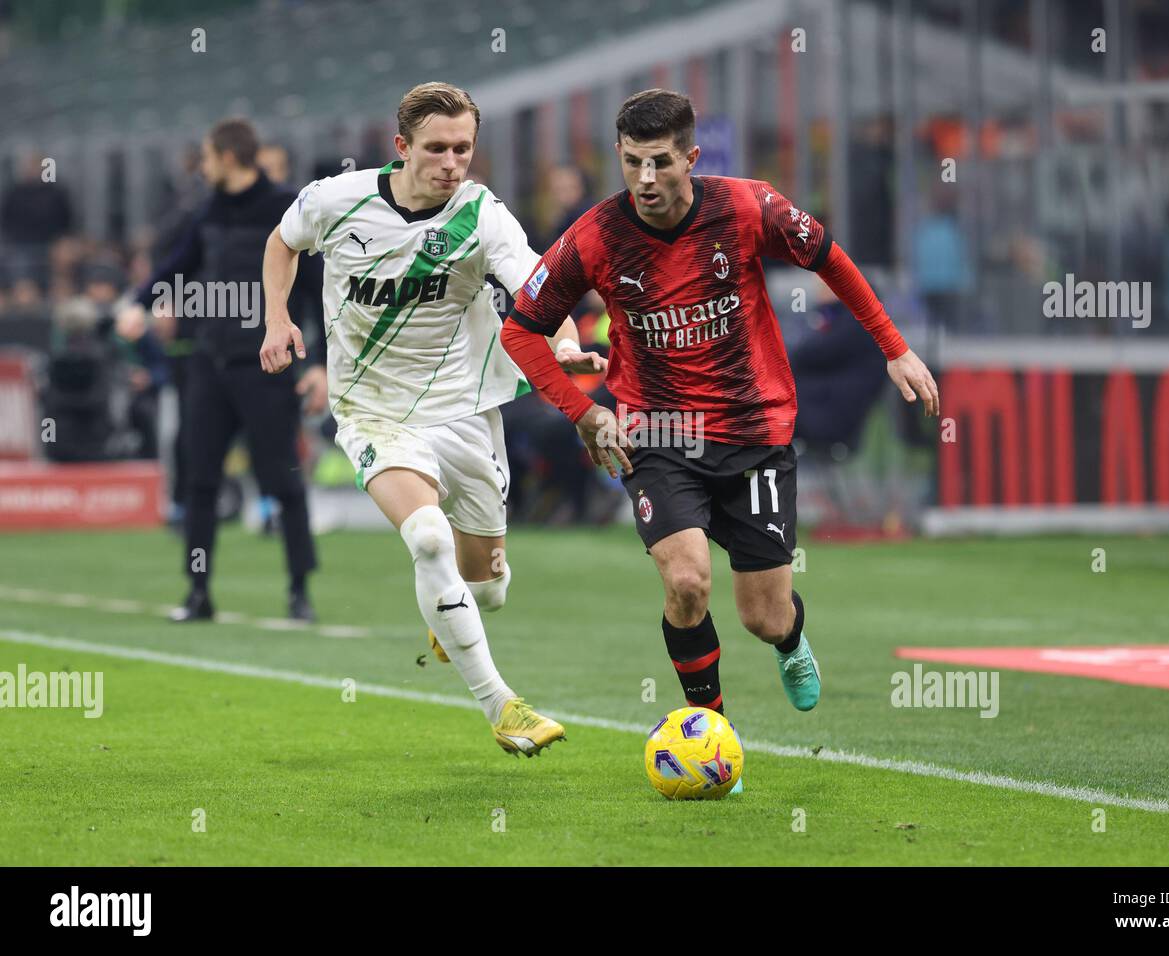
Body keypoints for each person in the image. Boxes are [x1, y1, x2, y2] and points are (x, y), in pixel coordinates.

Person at [502, 89, 939, 729]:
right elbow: (521, 329)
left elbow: (830, 259)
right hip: (654, 433)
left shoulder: (747, 206)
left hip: (753, 430)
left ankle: (790, 640)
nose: (645, 179)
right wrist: (584, 413)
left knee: (763, 616)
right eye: (631, 163)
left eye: (659, 162)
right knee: (686, 582)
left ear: (692, 157)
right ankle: (712, 732)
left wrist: (893, 348)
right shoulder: (594, 237)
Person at [260, 82, 603, 756]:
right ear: (402, 149)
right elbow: (282, 240)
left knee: (491, 589)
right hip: (372, 411)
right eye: (437, 149)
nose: (452, 162)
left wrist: (562, 343)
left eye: (464, 149)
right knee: (426, 539)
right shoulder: (338, 198)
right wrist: (277, 316)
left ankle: (448, 615)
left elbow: (538, 286)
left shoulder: (480, 214)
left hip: (464, 413)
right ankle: (503, 707)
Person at [121, 118, 327, 623]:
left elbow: (318, 290)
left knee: (281, 478)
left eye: (209, 158)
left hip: (269, 365)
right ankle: (198, 593)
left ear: (229, 157)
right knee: (200, 480)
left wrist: (319, 364)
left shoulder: (286, 206)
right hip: (210, 364)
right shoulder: (208, 209)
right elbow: (178, 264)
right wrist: (139, 301)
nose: (204, 167)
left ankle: (299, 591)